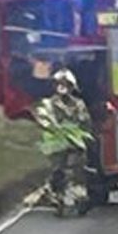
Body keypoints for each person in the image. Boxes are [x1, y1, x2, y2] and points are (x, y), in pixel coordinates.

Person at [34, 69, 92, 216]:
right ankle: (58, 196)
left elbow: (85, 121)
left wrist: (82, 132)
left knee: (78, 170)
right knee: (58, 172)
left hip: (75, 143)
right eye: (60, 83)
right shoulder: (48, 104)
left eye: (66, 84)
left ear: (72, 86)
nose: (63, 87)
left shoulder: (79, 104)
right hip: (56, 145)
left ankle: (80, 196)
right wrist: (54, 129)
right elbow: (43, 120)